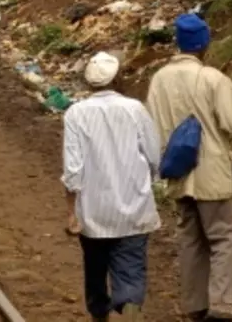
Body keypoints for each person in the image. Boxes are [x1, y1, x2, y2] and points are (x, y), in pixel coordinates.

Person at [145, 14, 232, 322]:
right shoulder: (211, 78)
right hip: (210, 172)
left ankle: (194, 304)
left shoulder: (159, 80)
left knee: (190, 238)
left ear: (177, 43)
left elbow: (152, 126)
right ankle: (221, 302)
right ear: (204, 44)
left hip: (177, 171)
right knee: (222, 236)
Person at [63, 51, 161, 321]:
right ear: (117, 79)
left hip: (93, 211)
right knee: (131, 269)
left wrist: (71, 212)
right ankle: (129, 306)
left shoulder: (75, 114)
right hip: (134, 208)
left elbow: (73, 169)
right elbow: (153, 156)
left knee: (95, 269)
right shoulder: (135, 110)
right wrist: (149, 181)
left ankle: (100, 312)